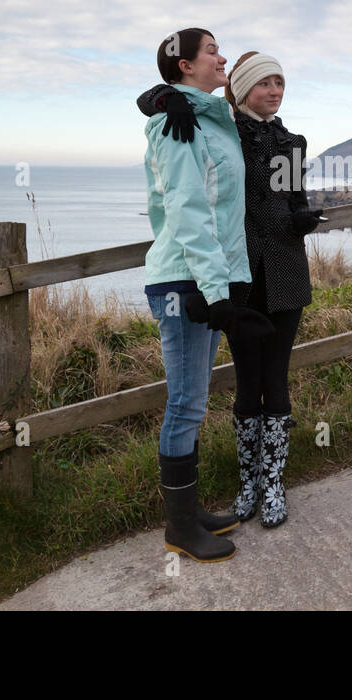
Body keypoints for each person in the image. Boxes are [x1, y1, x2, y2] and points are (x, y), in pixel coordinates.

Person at [139, 51, 321, 528]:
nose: (275, 90)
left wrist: (301, 219)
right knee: (246, 383)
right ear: (240, 89)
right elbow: (176, 106)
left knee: (276, 380)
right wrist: (161, 97)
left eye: (280, 81)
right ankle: (247, 483)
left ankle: (275, 484)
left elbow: (291, 200)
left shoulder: (291, 142)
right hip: (237, 276)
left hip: (284, 272)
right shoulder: (222, 129)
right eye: (264, 83)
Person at [141, 28, 273, 563]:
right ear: (186, 67)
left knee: (193, 403)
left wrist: (159, 93)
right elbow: (189, 212)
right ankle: (178, 529)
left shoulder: (202, 115)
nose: (222, 56)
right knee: (187, 402)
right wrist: (217, 295)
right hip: (184, 281)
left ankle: (189, 515)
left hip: (203, 277)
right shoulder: (177, 124)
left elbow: (219, 205)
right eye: (212, 50)